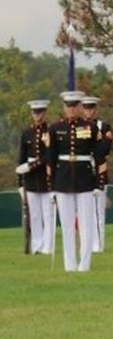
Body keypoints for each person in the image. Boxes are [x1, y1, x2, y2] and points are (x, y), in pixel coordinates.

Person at [47, 90, 105, 272]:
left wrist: (99, 183)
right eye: (68, 106)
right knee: (66, 225)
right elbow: (50, 158)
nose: (71, 109)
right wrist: (51, 187)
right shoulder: (55, 129)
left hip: (85, 179)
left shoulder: (91, 128)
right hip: (63, 180)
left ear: (80, 106)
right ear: (64, 107)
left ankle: (85, 264)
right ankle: (69, 264)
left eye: (75, 106)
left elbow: (100, 157)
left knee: (86, 224)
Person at [16, 99, 56, 255]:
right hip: (31, 180)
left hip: (45, 177)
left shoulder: (50, 131)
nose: (37, 115)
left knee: (48, 214)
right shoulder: (27, 133)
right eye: (35, 112)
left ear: (45, 113)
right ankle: (37, 245)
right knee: (35, 215)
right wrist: (20, 183)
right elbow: (21, 159)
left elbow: (49, 155)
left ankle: (48, 246)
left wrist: (31, 166)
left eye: (40, 112)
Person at [81, 96, 113, 252]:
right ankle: (87, 243)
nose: (89, 112)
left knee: (98, 211)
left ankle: (98, 245)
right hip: (84, 170)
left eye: (92, 108)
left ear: (96, 109)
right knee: (84, 212)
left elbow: (105, 149)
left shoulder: (104, 126)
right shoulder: (79, 126)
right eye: (86, 108)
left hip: (99, 169)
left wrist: (97, 142)